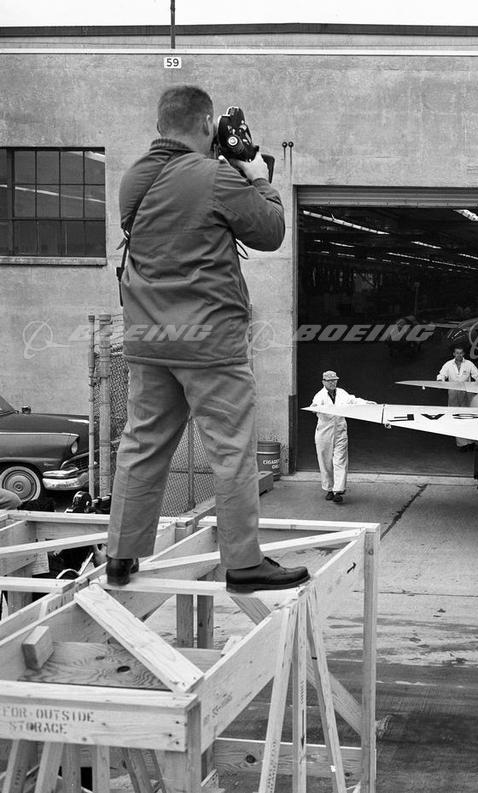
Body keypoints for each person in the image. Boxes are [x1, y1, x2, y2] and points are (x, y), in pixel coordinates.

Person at [105, 85, 308, 593]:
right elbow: (271, 231)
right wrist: (258, 178)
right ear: (207, 124)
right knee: (231, 451)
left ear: (160, 125)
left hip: (150, 339)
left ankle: (121, 555)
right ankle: (242, 563)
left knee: (141, 446)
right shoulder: (217, 176)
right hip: (210, 343)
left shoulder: (133, 180)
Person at [310, 370, 375, 504]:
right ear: (324, 382)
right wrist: (315, 407)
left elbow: (353, 400)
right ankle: (329, 488)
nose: (333, 382)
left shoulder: (342, 393)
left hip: (340, 430)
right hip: (324, 432)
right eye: (329, 381)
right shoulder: (320, 395)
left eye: (335, 380)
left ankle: (338, 491)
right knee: (325, 461)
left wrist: (366, 403)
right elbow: (314, 407)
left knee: (340, 460)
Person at [436, 345, 478, 451]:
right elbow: (441, 375)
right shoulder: (448, 365)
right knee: (456, 418)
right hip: (453, 395)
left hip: (466, 395)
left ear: (464, 354)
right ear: (454, 354)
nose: (459, 355)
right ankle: (462, 444)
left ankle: (471, 442)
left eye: (461, 353)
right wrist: (440, 381)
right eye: (457, 353)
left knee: (468, 417)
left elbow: (477, 376)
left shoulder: (469, 364)